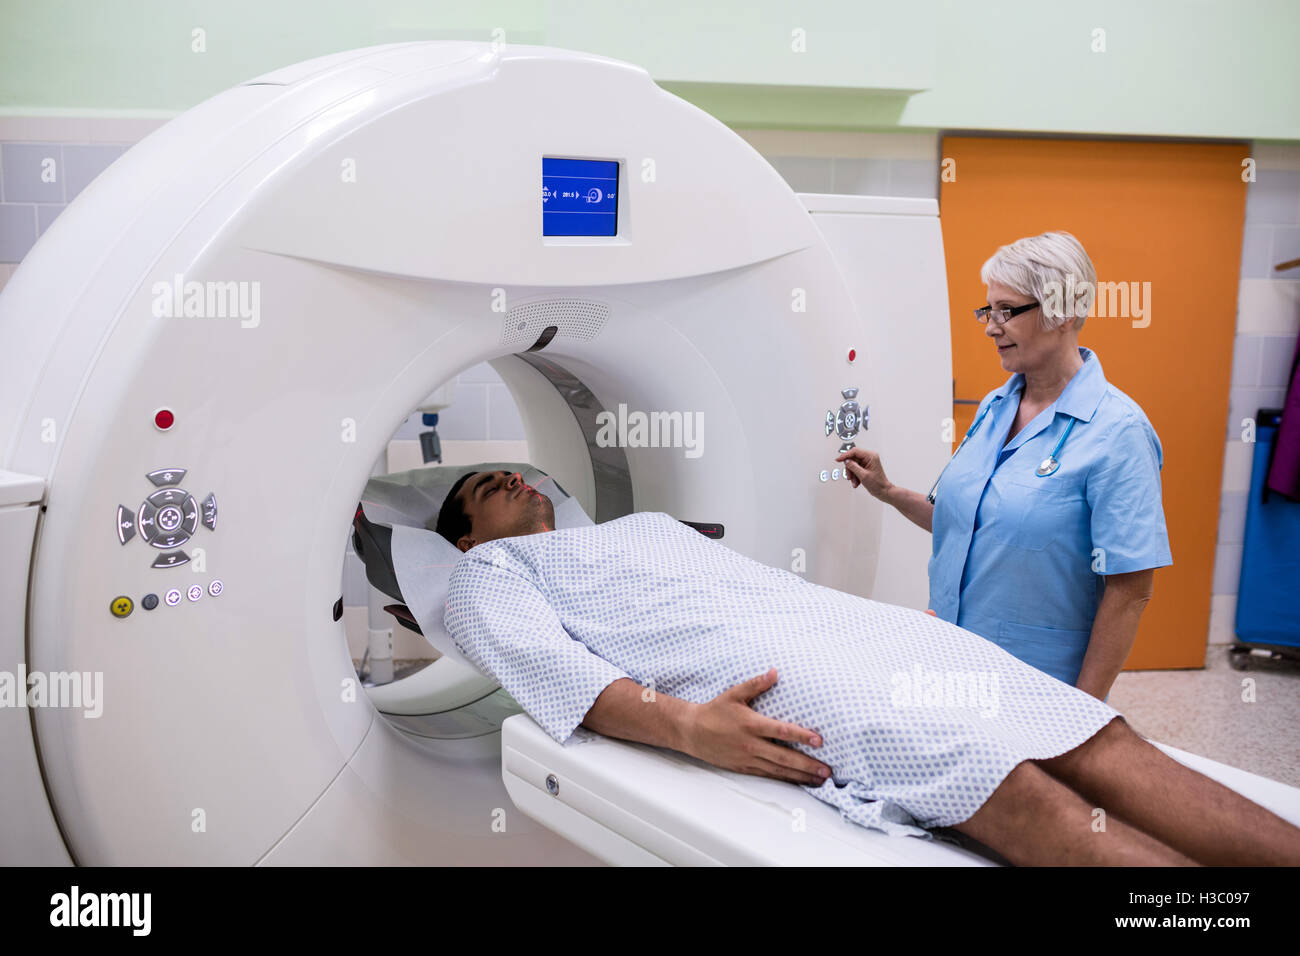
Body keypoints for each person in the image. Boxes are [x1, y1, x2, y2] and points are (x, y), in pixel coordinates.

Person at [434, 469, 1300, 866]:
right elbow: (553, 671)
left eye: (514, 470)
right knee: (1014, 784)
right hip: (779, 670)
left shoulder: (644, 524)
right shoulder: (488, 574)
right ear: (466, 534)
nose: (511, 477)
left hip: (863, 630)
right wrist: (691, 727)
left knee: (1098, 739)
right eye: (485, 487)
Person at [838, 231, 1169, 699]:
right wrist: (888, 491)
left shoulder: (1118, 432)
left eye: (1006, 311)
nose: (991, 326)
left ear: (1064, 310)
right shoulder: (995, 406)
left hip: (1038, 681)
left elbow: (1130, 589)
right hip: (949, 659)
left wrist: (1084, 712)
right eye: (987, 311)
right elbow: (971, 525)